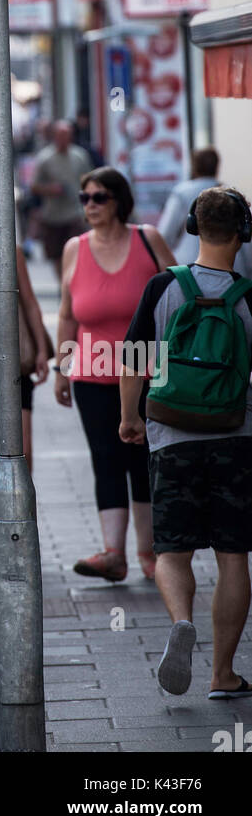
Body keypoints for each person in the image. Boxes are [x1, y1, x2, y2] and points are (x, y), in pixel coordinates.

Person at [120, 187, 252, 699]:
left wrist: (129, 419)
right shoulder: (248, 298)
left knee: (171, 552)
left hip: (171, 434)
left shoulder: (162, 287)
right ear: (242, 234)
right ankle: (223, 674)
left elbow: (132, 362)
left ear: (194, 229)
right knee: (234, 556)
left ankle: (180, 622)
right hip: (235, 438)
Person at [54, 166, 175, 583]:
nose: (90, 205)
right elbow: (69, 315)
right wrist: (61, 370)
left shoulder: (147, 239)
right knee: (105, 459)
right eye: (84, 198)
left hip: (145, 370)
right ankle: (112, 553)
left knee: (143, 460)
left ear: (119, 200)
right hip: (90, 373)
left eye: (99, 197)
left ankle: (148, 553)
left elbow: (178, 296)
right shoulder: (75, 248)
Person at [0, 179, 50, 470]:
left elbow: (29, 302)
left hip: (10, 361)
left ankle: (21, 510)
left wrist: (42, 349)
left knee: (22, 451)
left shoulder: (8, 250)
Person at [31, 119, 93, 279]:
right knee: (58, 256)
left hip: (75, 214)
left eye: (68, 135)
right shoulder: (45, 158)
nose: (65, 138)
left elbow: (90, 180)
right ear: (54, 136)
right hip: (53, 216)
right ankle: (63, 285)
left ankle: (75, 284)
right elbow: (34, 186)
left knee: (78, 253)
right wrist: (50, 189)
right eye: (61, 135)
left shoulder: (80, 156)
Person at [157, 148, 221, 265]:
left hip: (188, 266)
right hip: (228, 267)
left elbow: (165, 234)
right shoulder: (230, 194)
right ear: (217, 166)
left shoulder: (182, 193)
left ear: (194, 166)